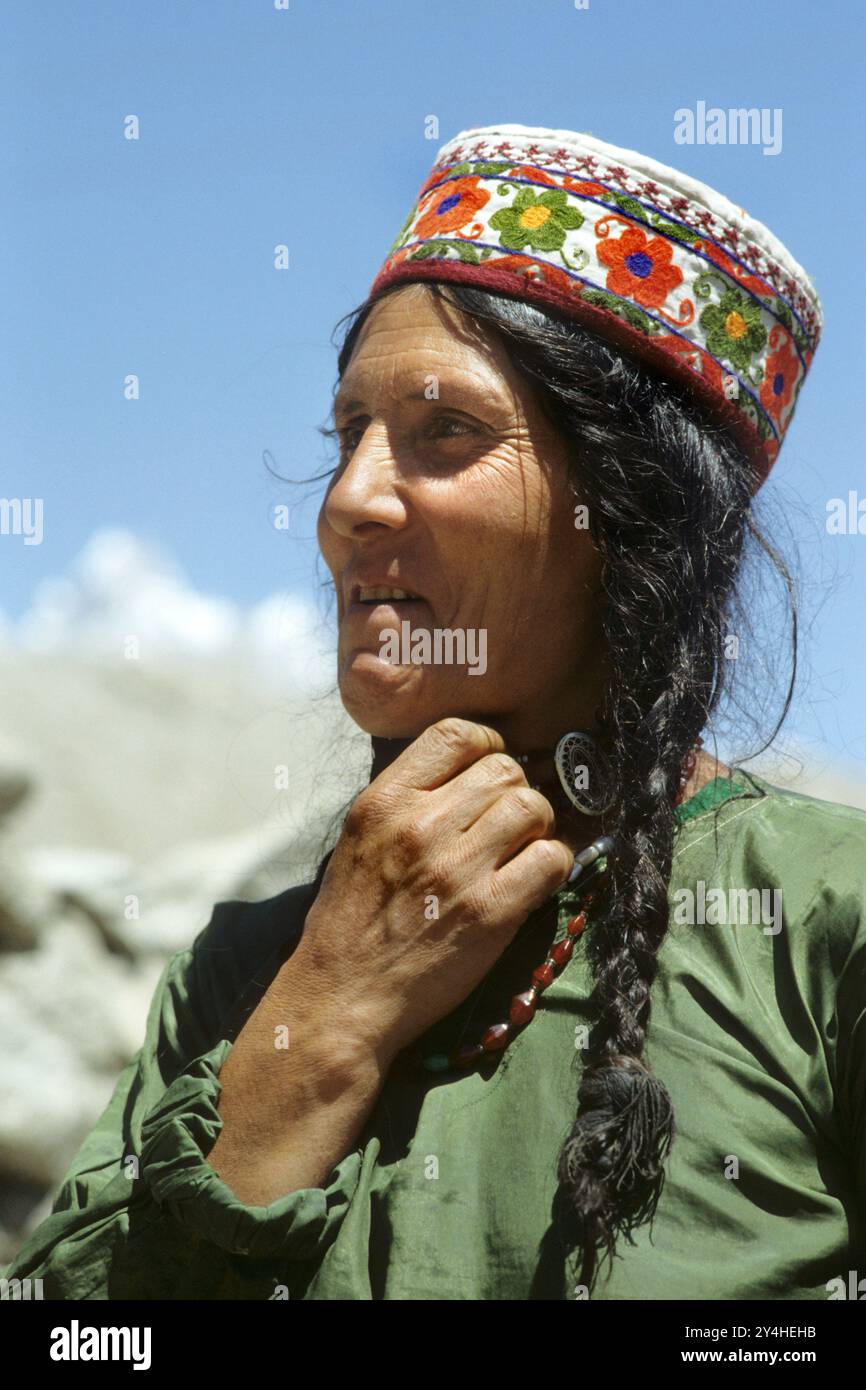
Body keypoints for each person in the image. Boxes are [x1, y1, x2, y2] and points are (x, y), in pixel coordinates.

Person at [6, 123, 864, 1301]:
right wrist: (322, 1024)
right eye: (347, 432)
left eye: (443, 432)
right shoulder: (245, 971)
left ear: (626, 512)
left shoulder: (820, 919)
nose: (347, 502)